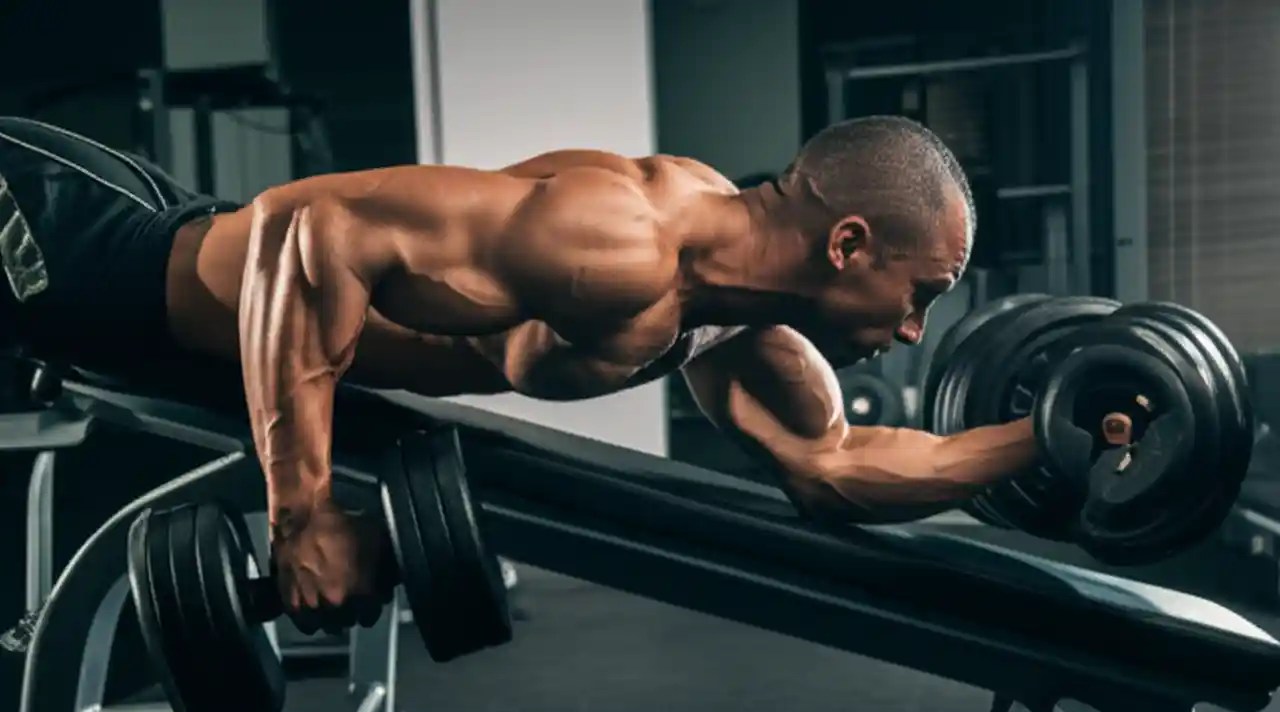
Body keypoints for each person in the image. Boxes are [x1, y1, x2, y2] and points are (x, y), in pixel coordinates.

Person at [0, 114, 1036, 632]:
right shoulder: (620, 242)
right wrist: (302, 517)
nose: (911, 333)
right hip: (89, 253)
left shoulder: (721, 320)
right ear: (847, 243)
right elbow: (305, 235)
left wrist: (1045, 440)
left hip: (146, 296)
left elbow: (833, 468)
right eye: (922, 293)